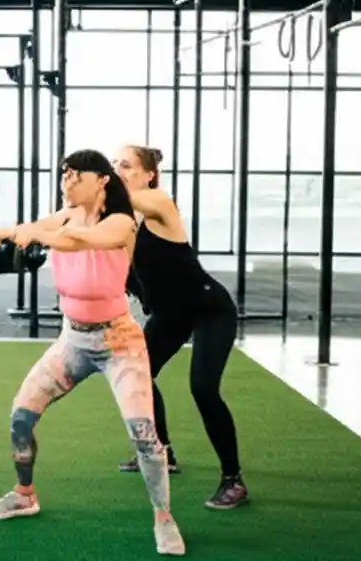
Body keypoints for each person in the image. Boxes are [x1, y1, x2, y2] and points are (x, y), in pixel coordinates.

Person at [0, 149, 184, 557]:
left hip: (119, 343)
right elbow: (37, 227)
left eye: (76, 176)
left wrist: (38, 235)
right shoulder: (65, 216)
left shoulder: (121, 221)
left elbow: (83, 240)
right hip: (72, 340)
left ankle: (164, 518)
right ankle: (24, 494)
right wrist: (0, 234)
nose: (67, 182)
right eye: (64, 175)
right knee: (20, 417)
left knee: (144, 435)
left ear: (102, 180)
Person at [112, 144, 248, 510]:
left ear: (149, 175)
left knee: (203, 389)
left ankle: (233, 480)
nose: (118, 170)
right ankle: (163, 451)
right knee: (138, 374)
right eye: (114, 164)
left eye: (126, 165)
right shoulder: (124, 223)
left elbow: (121, 200)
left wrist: (100, 186)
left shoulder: (160, 204)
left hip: (209, 310)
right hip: (171, 315)